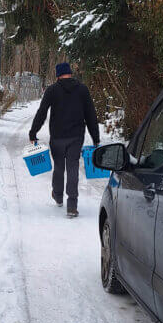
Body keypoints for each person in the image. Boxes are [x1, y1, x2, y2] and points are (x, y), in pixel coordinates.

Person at [29, 62, 100, 218]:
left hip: (57, 137)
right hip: (76, 136)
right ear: (70, 73)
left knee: (59, 166)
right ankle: (72, 206)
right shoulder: (82, 89)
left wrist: (33, 132)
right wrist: (95, 137)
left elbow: (42, 112)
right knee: (73, 168)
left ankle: (58, 196)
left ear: (58, 75)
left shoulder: (52, 90)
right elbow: (90, 114)